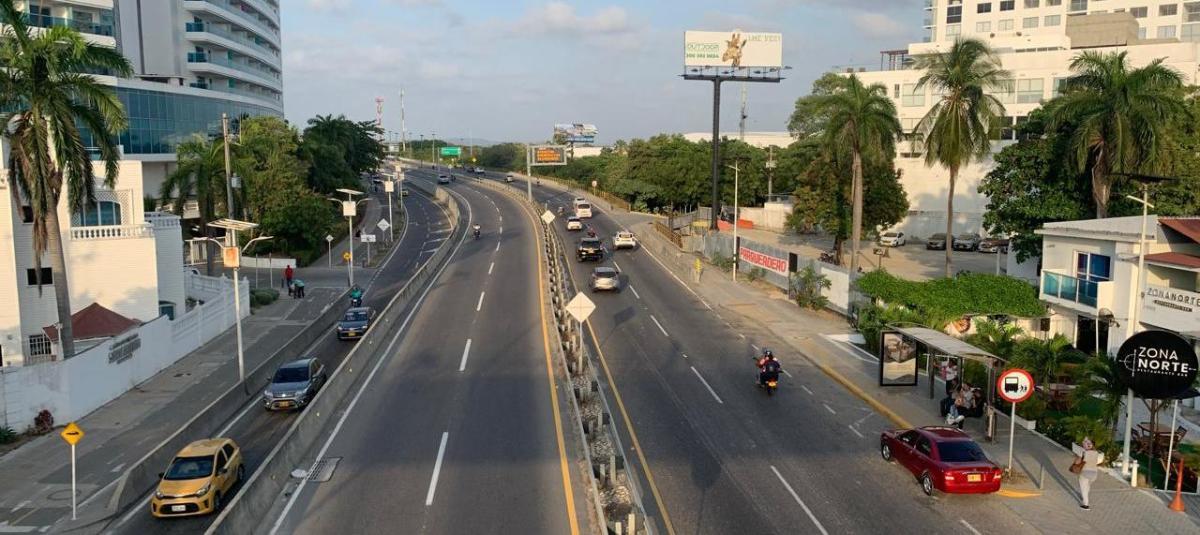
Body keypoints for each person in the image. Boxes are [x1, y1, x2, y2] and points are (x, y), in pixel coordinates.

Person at [1075, 438, 1103, 510]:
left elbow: (1077, 462)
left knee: (1083, 488)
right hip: (1094, 473)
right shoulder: (1096, 453)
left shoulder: (1083, 452)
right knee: (1087, 485)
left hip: (1085, 472)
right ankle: (1085, 496)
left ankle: (1086, 505)